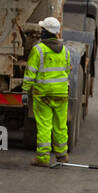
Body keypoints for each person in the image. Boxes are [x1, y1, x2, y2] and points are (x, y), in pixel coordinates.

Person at [22, 16, 71, 166]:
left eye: (42, 30)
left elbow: (30, 73)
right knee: (60, 125)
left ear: (45, 32)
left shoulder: (39, 50)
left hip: (43, 94)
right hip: (61, 94)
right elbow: (67, 71)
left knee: (44, 126)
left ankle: (43, 158)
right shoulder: (66, 51)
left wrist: (25, 92)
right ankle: (62, 156)